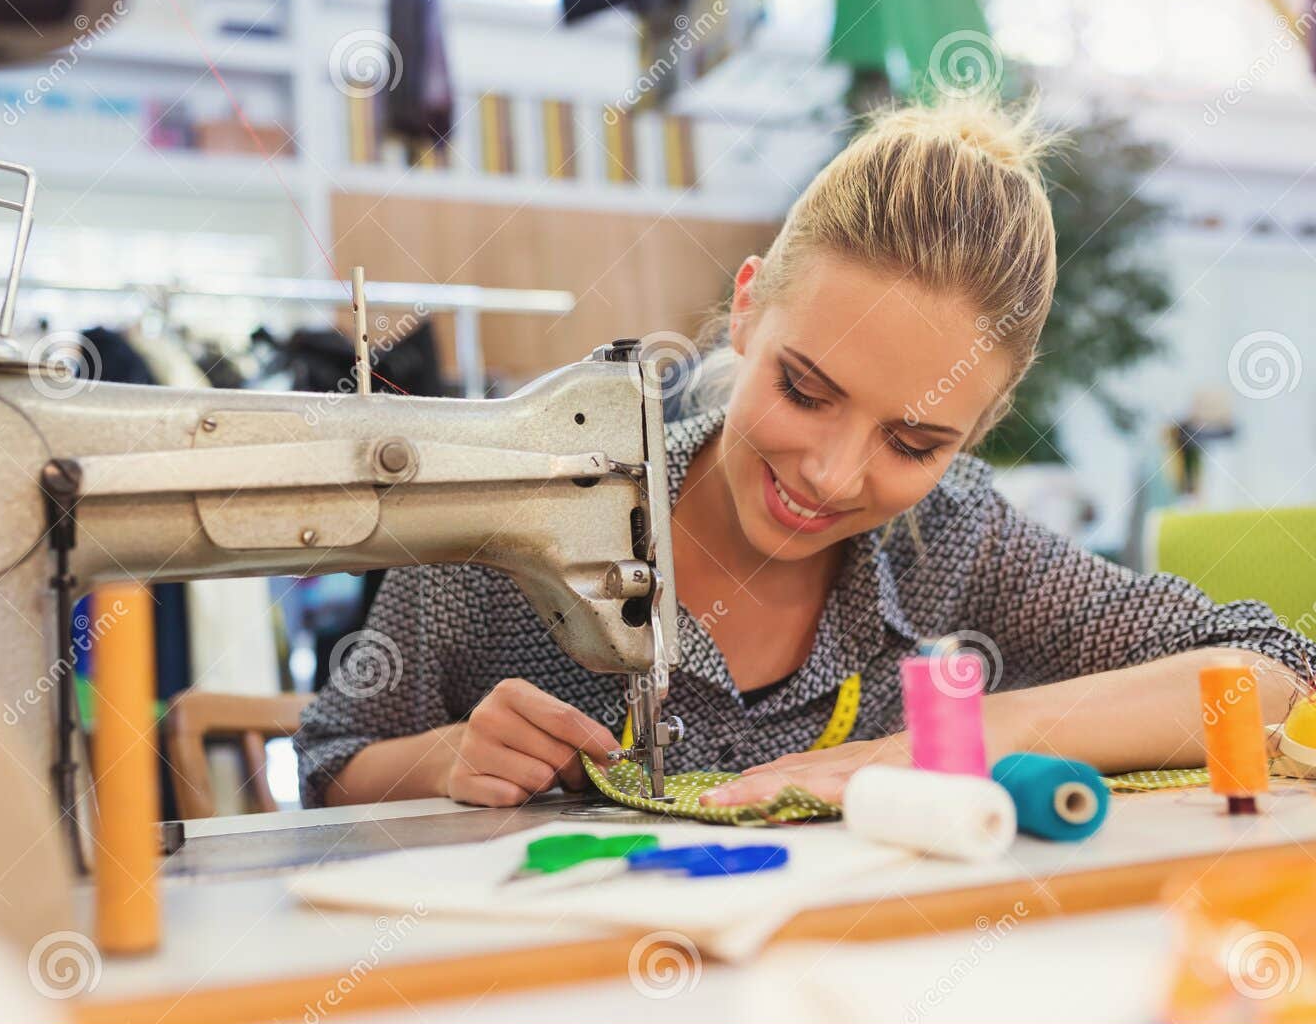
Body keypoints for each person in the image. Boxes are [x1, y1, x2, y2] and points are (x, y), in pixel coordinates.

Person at [296, 96, 1316, 810]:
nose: (831, 475)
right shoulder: (532, 510)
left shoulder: (955, 542)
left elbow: (1276, 672)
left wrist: (938, 745)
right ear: (746, 309)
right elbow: (332, 762)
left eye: (913, 442)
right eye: (803, 388)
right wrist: (442, 759)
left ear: (985, 422)